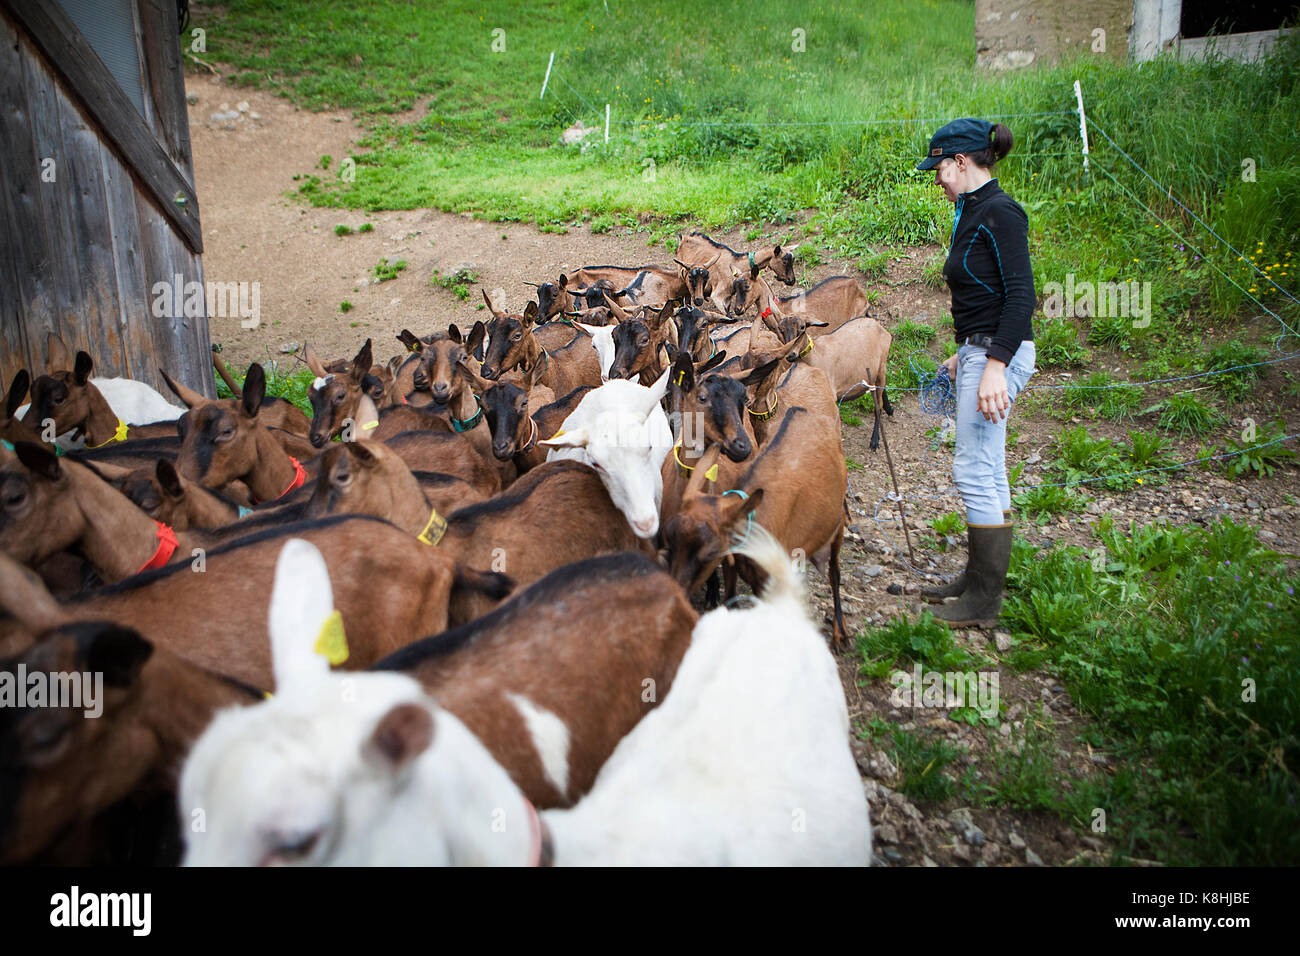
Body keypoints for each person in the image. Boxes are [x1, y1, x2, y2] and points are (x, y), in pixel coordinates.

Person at [914, 118, 1037, 626]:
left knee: (972, 468)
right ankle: (978, 578)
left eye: (940, 168)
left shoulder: (1001, 213)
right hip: (979, 351)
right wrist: (962, 352)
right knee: (988, 467)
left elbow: (1022, 297)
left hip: (997, 356)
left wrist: (992, 367)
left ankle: (984, 602)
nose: (936, 178)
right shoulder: (972, 210)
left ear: (962, 161)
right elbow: (982, 295)